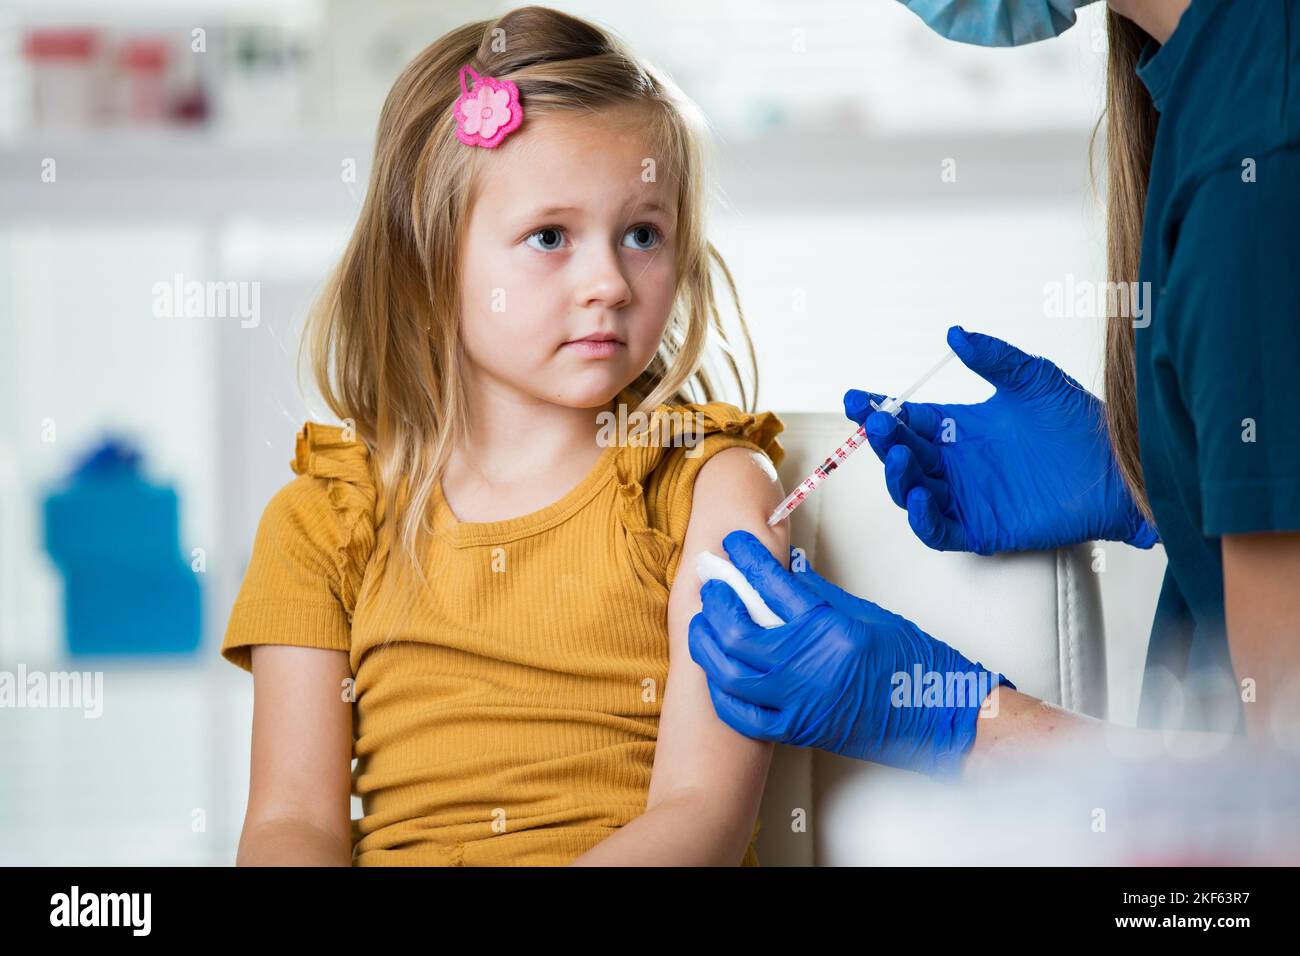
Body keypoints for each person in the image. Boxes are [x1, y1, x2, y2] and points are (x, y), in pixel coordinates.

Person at [220, 5, 792, 866]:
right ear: (428, 260)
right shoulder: (321, 522)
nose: (608, 281)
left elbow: (701, 817)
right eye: (550, 237)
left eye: (642, 233)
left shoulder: (710, 489)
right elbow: (289, 825)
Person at [690, 0, 1300, 777]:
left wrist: (948, 715)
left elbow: (1284, 802)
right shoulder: (1222, 73)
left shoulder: (1257, 168)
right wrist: (1161, 480)